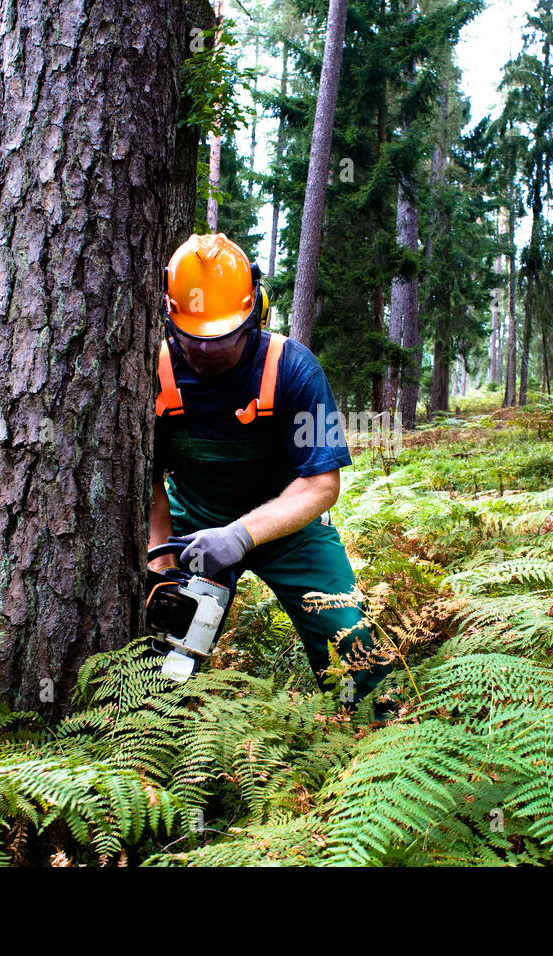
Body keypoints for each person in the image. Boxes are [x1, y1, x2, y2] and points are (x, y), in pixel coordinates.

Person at [148, 233, 394, 715]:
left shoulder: (294, 370)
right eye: (192, 338)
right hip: (193, 523)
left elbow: (321, 485)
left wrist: (241, 535)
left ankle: (382, 737)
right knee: (165, 653)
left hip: (290, 526)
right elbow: (149, 480)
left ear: (255, 315)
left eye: (221, 338)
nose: (205, 352)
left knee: (352, 641)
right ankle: (162, 741)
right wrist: (160, 555)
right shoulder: (152, 369)